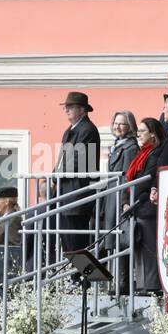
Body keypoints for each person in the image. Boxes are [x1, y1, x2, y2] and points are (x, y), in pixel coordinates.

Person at [54, 92, 101, 252]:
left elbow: (78, 160)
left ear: (82, 110)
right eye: (65, 107)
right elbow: (62, 159)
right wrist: (54, 175)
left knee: (76, 241)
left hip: (77, 192)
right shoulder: (71, 130)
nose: (66, 110)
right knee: (68, 241)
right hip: (67, 192)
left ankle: (79, 276)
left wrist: (55, 176)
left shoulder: (87, 129)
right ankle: (74, 275)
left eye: (70, 107)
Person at [125, 118, 165, 294]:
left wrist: (132, 197)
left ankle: (151, 286)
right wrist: (127, 201)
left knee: (149, 249)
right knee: (139, 248)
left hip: (147, 207)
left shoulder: (155, 154)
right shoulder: (141, 154)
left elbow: (146, 179)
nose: (138, 134)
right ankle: (142, 285)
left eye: (142, 131)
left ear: (153, 135)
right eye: (138, 131)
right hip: (137, 206)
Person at [106, 111, 140, 233]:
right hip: (112, 194)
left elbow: (128, 177)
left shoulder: (130, 148)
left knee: (117, 235)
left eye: (122, 124)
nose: (117, 127)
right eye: (115, 123)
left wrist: (124, 202)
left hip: (119, 197)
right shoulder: (117, 145)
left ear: (130, 126)